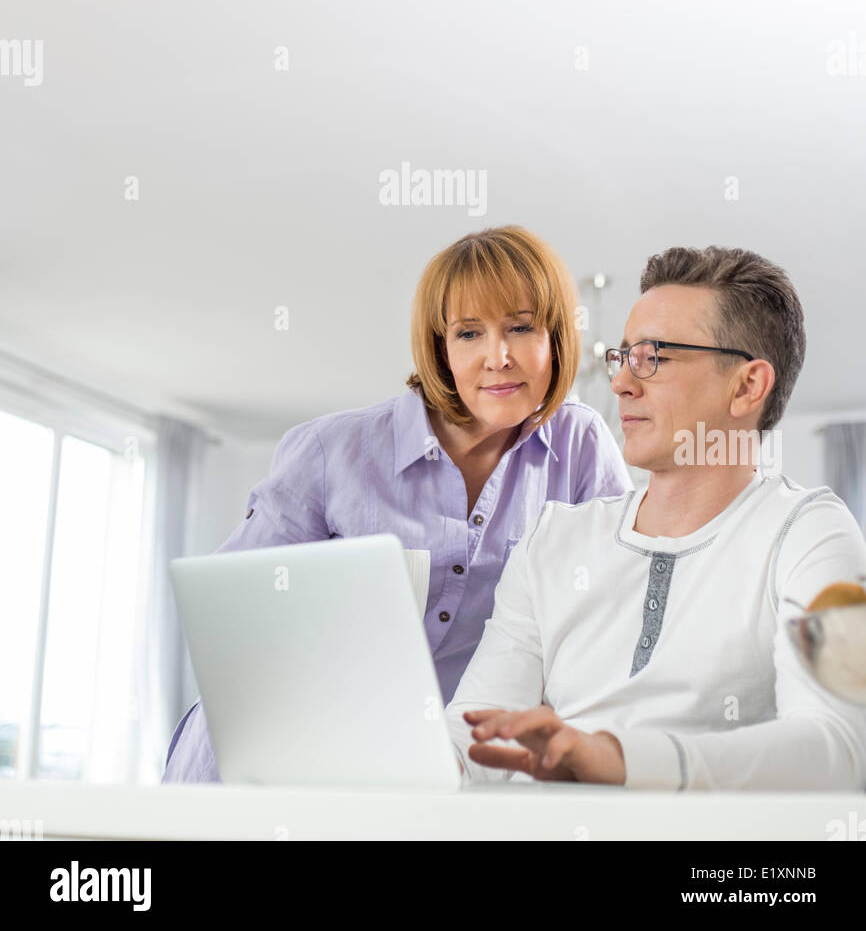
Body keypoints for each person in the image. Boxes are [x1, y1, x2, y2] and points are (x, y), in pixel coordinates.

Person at [162, 225, 632, 781]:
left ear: (556, 336)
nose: (497, 357)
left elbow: (615, 607)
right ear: (440, 348)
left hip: (434, 773)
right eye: (468, 334)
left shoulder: (579, 448)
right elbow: (231, 612)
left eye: (521, 328)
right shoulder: (331, 451)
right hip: (272, 757)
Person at [446, 244, 866, 791]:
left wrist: (620, 759)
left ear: (747, 386)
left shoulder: (810, 533)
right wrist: (418, 756)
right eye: (622, 358)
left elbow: (842, 746)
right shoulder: (553, 541)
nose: (621, 382)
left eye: (654, 357)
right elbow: (477, 734)